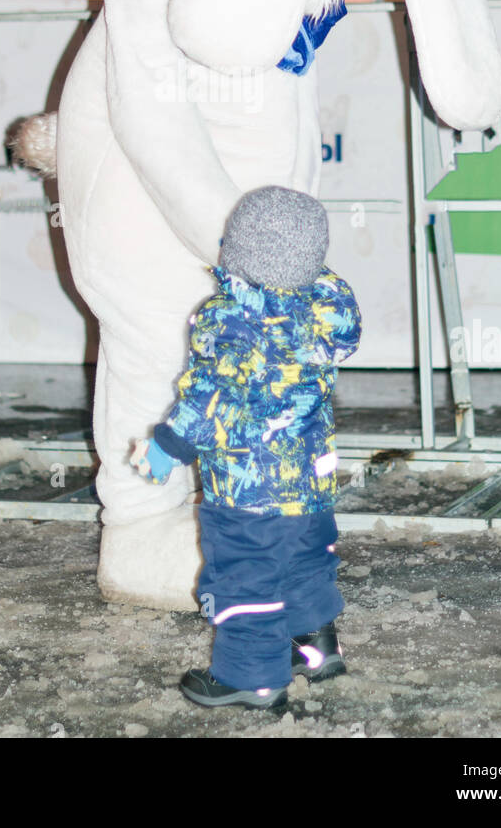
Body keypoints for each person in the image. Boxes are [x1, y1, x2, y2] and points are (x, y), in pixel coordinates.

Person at [131, 185, 362, 709]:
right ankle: (317, 650)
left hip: (246, 493)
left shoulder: (228, 318)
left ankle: (251, 677)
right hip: (311, 487)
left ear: (235, 251)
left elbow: (211, 395)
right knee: (306, 562)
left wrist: (168, 445)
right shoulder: (324, 310)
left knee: (244, 580)